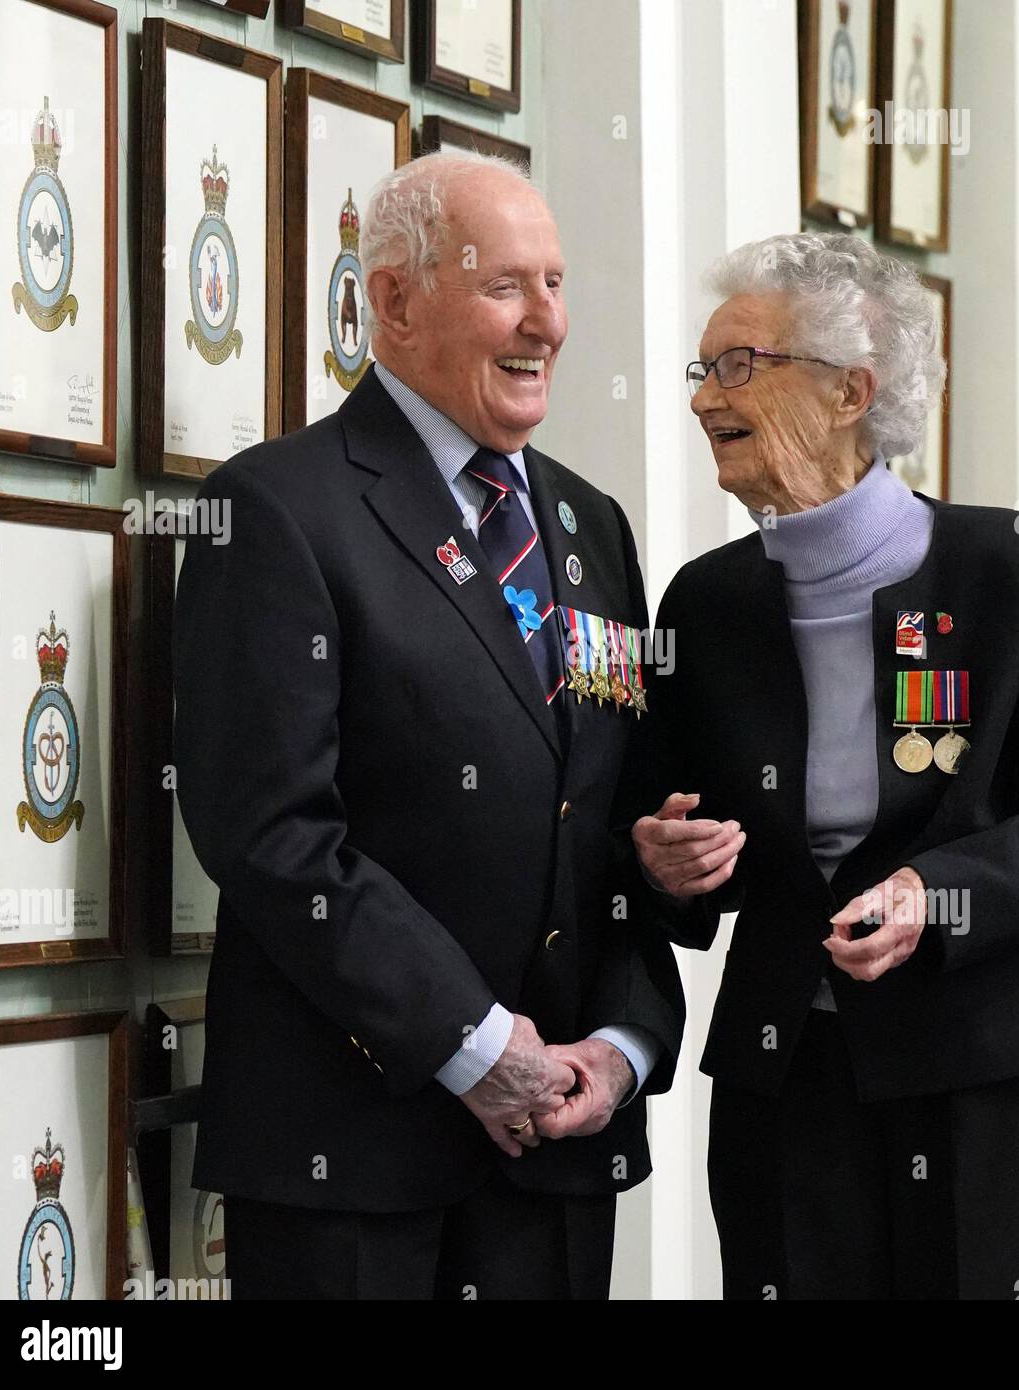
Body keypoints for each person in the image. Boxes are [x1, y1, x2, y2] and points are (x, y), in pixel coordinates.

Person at [173, 150, 683, 1300]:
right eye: (508, 285)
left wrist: (622, 1043)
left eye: (556, 284)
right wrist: (475, 1044)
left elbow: (616, 828)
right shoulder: (273, 510)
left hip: (558, 1148)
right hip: (354, 1159)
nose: (546, 321)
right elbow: (272, 835)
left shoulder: (588, 523)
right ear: (393, 300)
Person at [633, 231, 1019, 1300]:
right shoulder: (704, 604)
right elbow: (669, 828)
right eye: (701, 370)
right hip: (785, 1086)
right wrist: (665, 860)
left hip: (988, 1080)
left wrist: (941, 895)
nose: (701, 400)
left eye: (737, 364)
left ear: (848, 392)